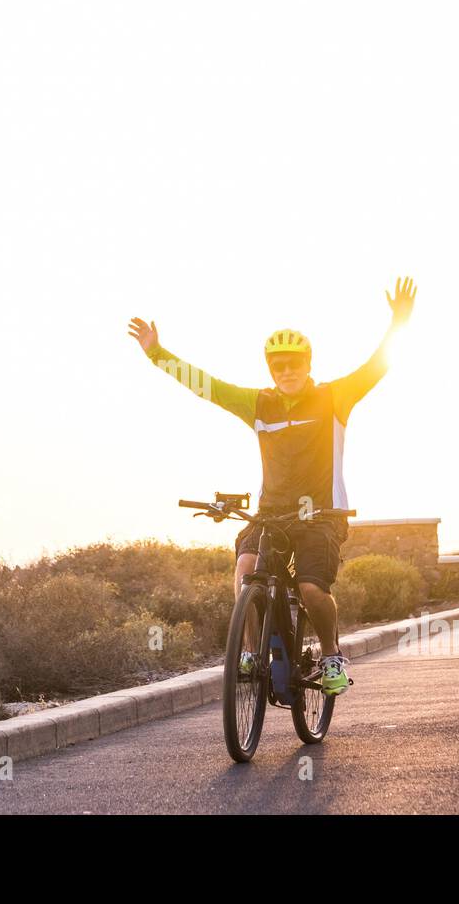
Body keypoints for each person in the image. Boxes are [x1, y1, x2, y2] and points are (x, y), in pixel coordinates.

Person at [128, 277, 417, 695]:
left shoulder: (334, 398)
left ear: (308, 365)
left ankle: (332, 654)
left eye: (294, 363)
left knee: (311, 587)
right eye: (278, 366)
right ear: (271, 370)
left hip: (322, 516)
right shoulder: (257, 403)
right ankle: (250, 651)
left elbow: (377, 367)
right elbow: (204, 385)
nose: (286, 372)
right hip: (271, 514)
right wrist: (156, 353)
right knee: (246, 572)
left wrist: (399, 323)